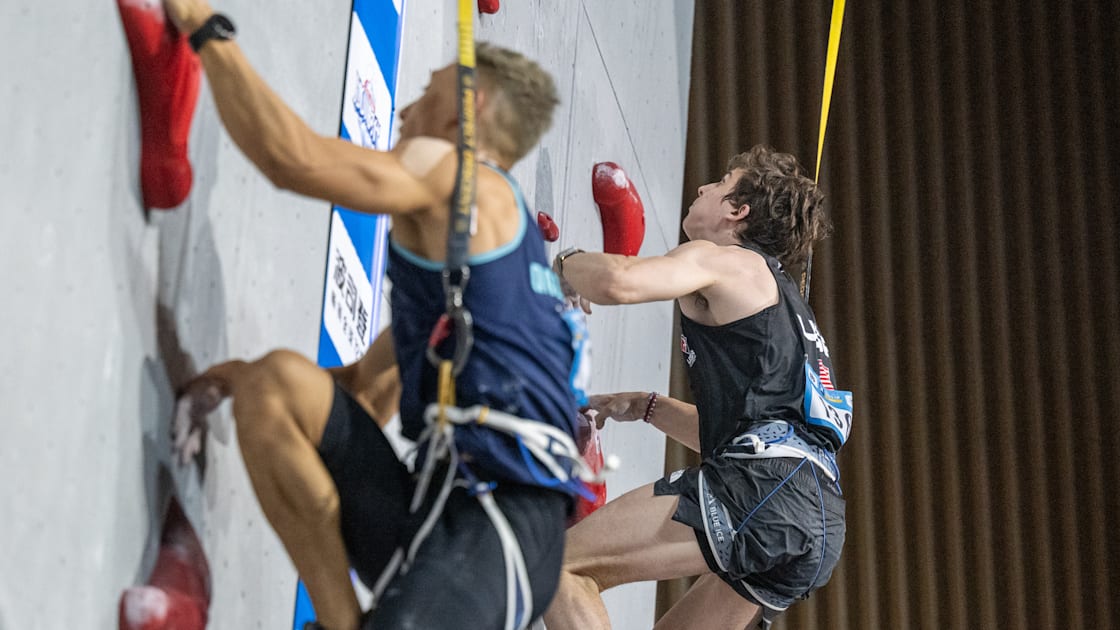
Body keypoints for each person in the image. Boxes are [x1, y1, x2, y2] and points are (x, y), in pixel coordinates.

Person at [160, 1, 589, 628]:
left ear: (467, 112)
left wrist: (203, 27)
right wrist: (236, 377)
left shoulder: (459, 175)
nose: (405, 111)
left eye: (424, 94)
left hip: (503, 529)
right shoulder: (474, 278)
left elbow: (293, 160)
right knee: (276, 387)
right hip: (435, 506)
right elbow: (367, 390)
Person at [542, 145, 851, 629]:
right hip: (817, 519)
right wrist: (649, 407)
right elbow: (763, 434)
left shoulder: (728, 260)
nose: (705, 187)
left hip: (765, 489)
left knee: (562, 567)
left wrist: (566, 263)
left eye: (722, 181)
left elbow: (620, 283)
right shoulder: (790, 311)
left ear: (737, 210)